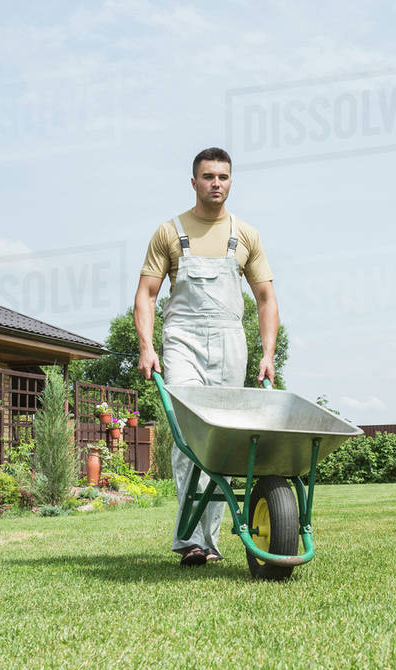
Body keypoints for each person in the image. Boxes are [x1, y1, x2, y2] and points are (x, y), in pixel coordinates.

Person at [135, 147, 279, 566]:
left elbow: (266, 298)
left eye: (223, 176)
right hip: (182, 340)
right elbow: (146, 295)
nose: (216, 183)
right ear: (194, 181)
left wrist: (267, 354)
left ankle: (207, 543)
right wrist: (148, 346)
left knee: (223, 441)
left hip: (231, 340)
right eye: (208, 176)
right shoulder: (170, 232)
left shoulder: (245, 234)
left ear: (231, 182)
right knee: (189, 439)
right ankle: (190, 541)